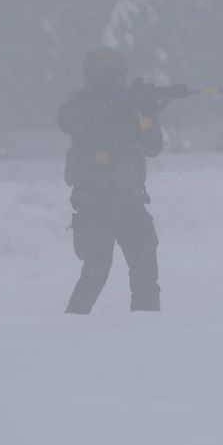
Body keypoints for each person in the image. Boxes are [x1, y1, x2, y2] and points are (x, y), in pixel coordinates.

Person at [58, 47, 163, 314]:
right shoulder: (80, 107)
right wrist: (118, 103)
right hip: (96, 205)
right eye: (117, 77)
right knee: (95, 274)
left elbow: (152, 146)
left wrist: (147, 113)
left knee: (145, 274)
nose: (122, 82)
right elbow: (69, 121)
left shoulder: (130, 107)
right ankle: (71, 329)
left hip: (129, 203)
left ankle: (147, 330)